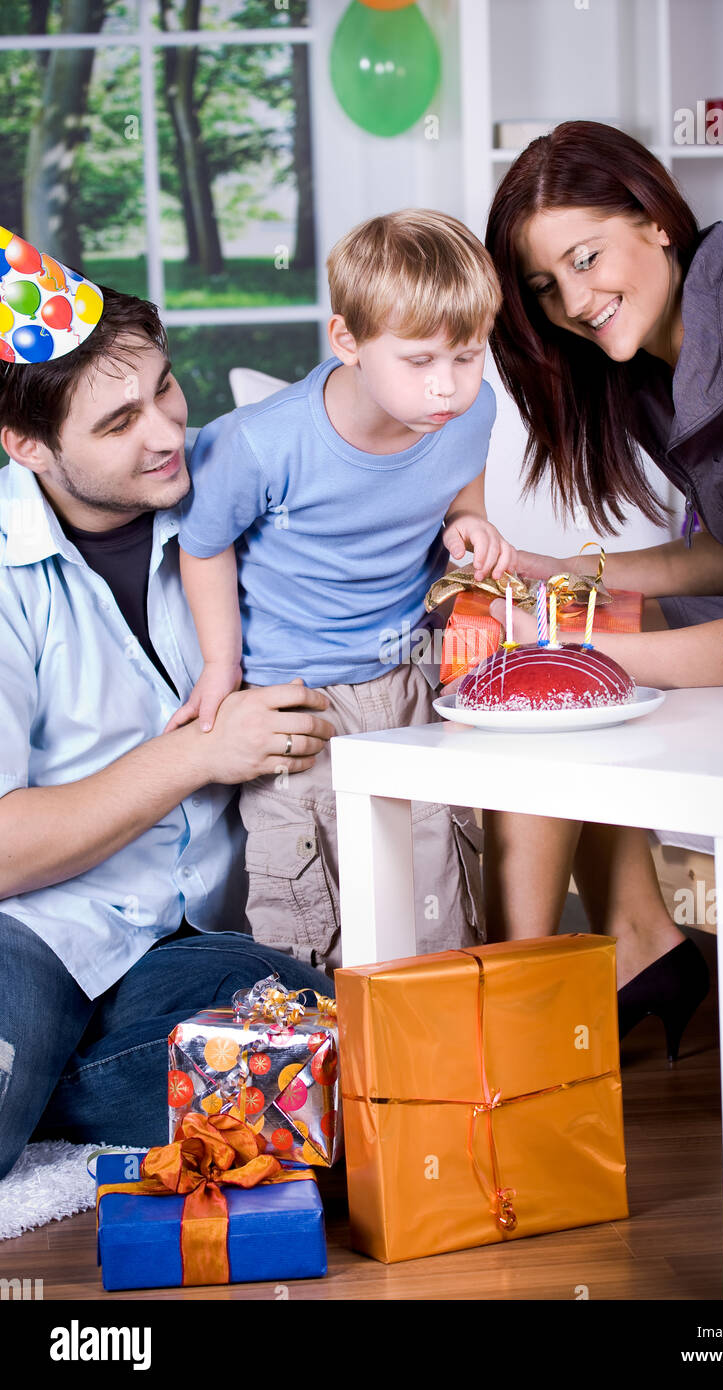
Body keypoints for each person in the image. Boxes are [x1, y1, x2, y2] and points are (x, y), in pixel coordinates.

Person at [481, 121, 723, 1059]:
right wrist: (552, 576)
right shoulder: (658, 355)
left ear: (655, 221)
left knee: (555, 682)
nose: (573, 301)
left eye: (586, 257)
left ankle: (508, 1024)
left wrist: (586, 654)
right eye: (545, 287)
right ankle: (632, 942)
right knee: (533, 667)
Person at [0, 280, 337, 1179]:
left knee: (321, 1048)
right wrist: (200, 752)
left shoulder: (235, 489)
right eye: (117, 423)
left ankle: (52, 1087)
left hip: (186, 938)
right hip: (34, 926)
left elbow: (385, 422)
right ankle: (40, 1080)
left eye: (165, 389)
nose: (164, 433)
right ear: (28, 446)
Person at [167, 209, 516, 971]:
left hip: (408, 675)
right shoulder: (262, 442)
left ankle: (436, 1055)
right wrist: (222, 667)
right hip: (297, 694)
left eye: (468, 355)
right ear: (348, 341)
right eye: (420, 360)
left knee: (435, 868)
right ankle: (315, 1064)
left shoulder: (471, 411)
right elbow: (203, 544)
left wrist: (469, 521)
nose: (449, 386)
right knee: (309, 887)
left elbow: (460, 486)